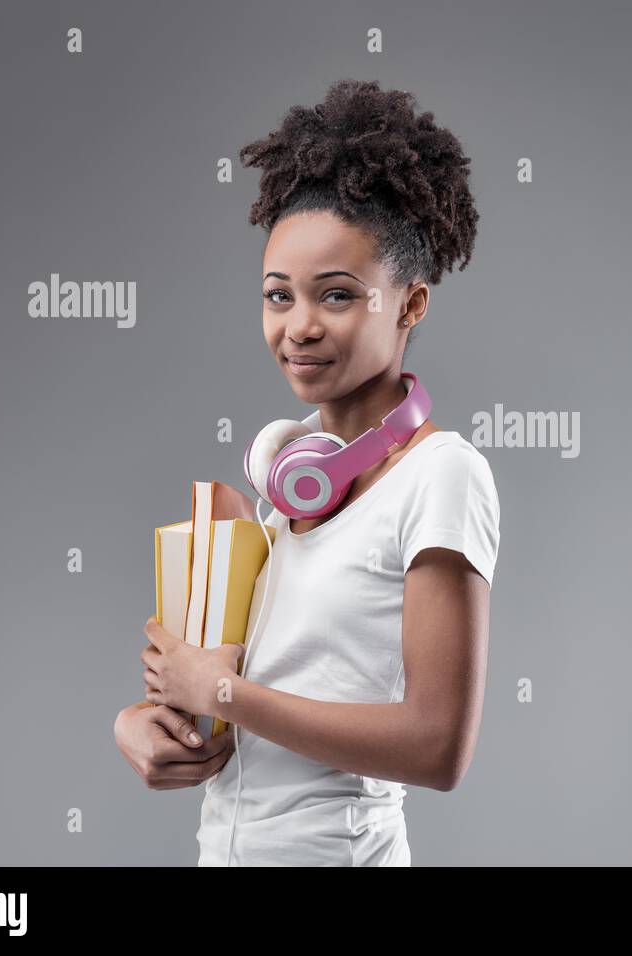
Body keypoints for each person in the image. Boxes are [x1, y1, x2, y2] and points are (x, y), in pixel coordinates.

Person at [113, 79, 500, 866]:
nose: (300, 326)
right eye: (277, 296)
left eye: (337, 295)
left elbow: (437, 747)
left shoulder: (441, 477)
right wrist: (147, 724)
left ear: (410, 303)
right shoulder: (284, 493)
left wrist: (222, 693)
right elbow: (250, 700)